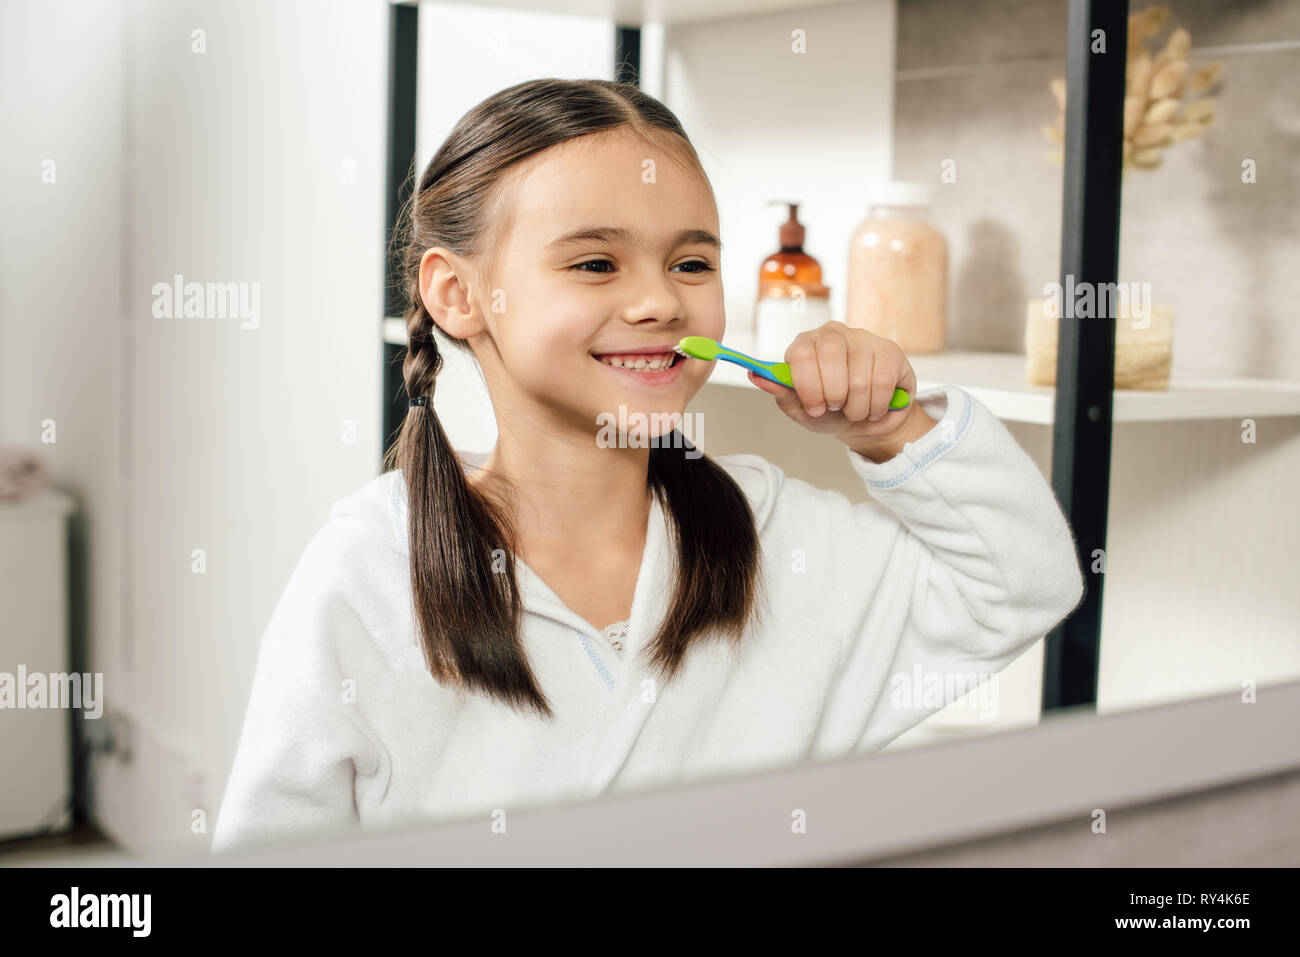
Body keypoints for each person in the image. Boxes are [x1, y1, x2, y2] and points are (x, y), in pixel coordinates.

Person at [210, 78, 1084, 856]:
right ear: (458, 294)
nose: (661, 300)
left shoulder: (782, 541)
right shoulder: (367, 572)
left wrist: (891, 430)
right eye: (595, 263)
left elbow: (1024, 582)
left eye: (691, 262)